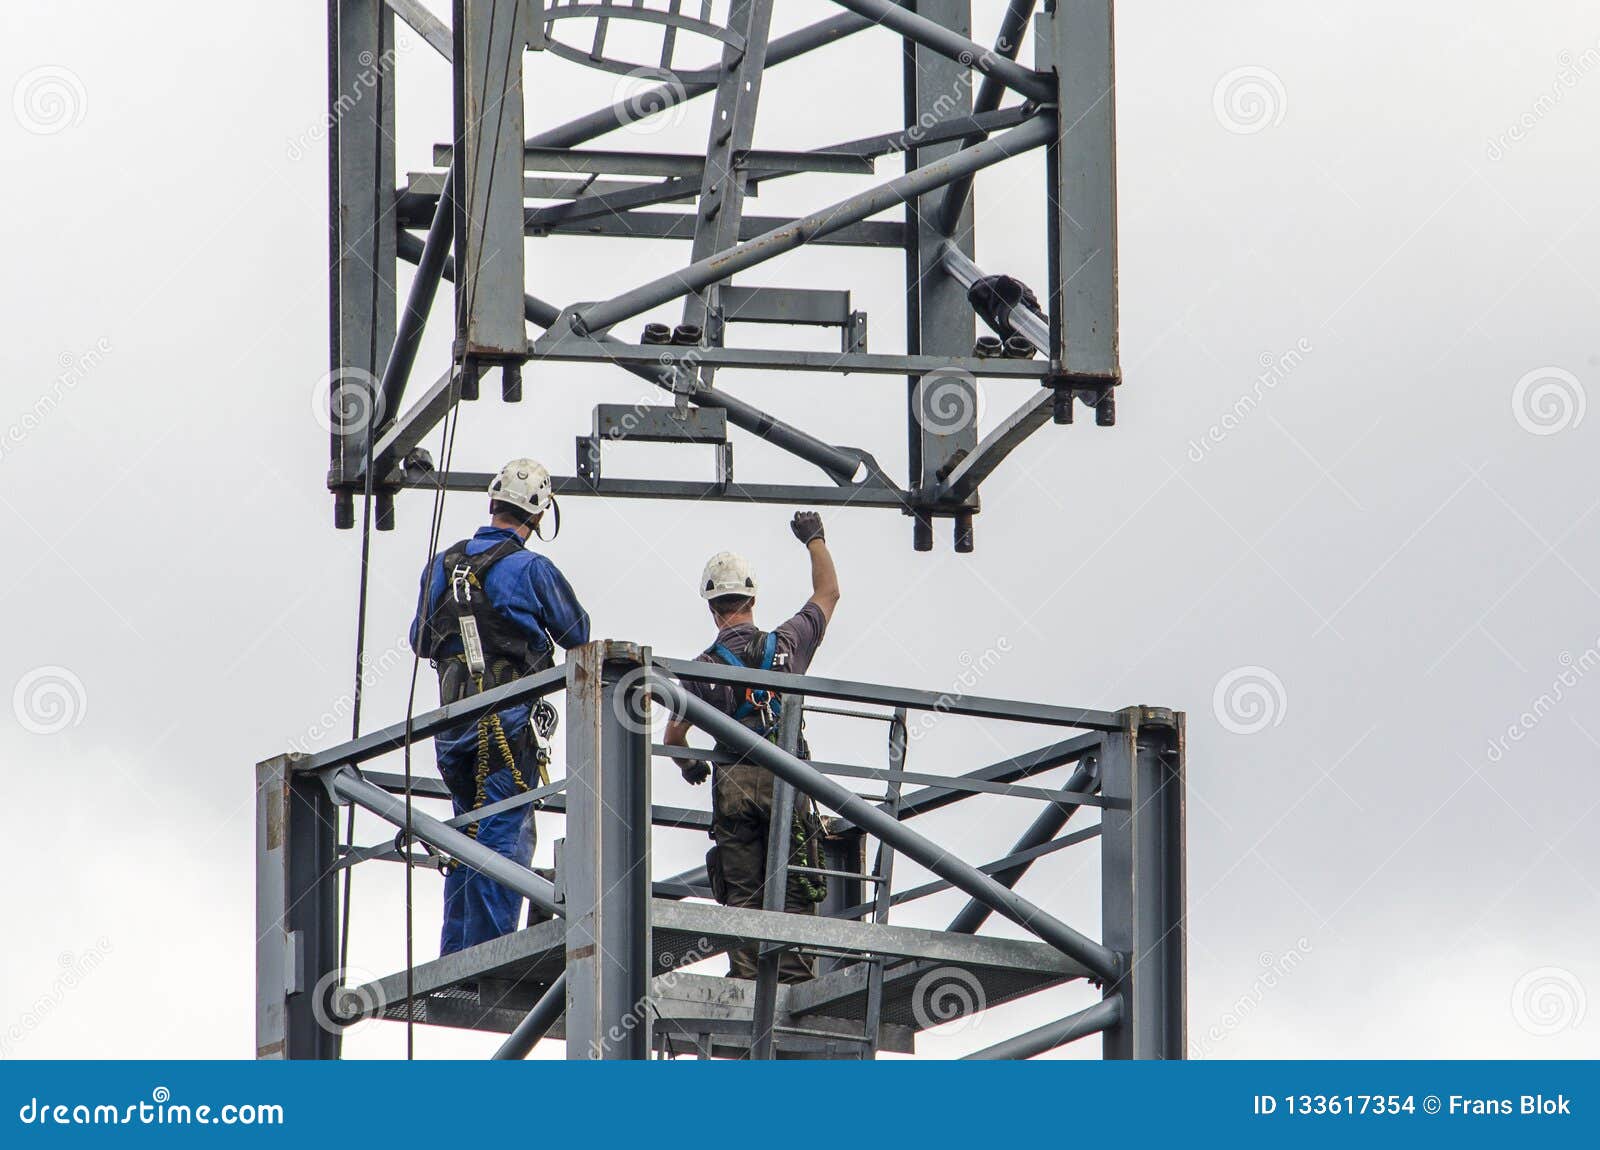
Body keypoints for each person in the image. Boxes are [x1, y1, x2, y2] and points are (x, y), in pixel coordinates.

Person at [410, 458, 590, 955]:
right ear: (538, 515)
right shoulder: (532, 569)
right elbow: (578, 633)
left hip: (452, 728)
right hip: (506, 725)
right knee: (503, 835)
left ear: (493, 503)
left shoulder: (441, 566)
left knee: (464, 834)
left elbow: (420, 640)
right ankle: (489, 961)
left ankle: (457, 957)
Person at [664, 511, 840, 982]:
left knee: (742, 893)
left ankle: (746, 979)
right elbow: (828, 593)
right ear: (753, 598)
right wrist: (814, 539)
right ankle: (794, 982)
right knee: (795, 884)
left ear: (711, 607)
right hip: (787, 779)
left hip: (734, 787)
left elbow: (674, 738)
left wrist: (689, 767)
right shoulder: (786, 645)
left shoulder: (701, 669)